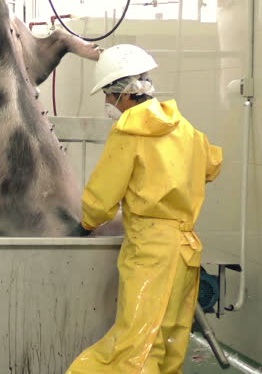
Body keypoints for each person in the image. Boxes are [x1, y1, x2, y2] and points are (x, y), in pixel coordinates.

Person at [66, 44, 223, 374]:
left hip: (151, 252)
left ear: (122, 93)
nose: (108, 103)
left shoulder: (129, 131)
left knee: (137, 344)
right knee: (171, 338)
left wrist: (85, 225)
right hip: (185, 252)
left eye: (108, 96)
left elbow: (103, 194)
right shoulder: (186, 130)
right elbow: (212, 165)